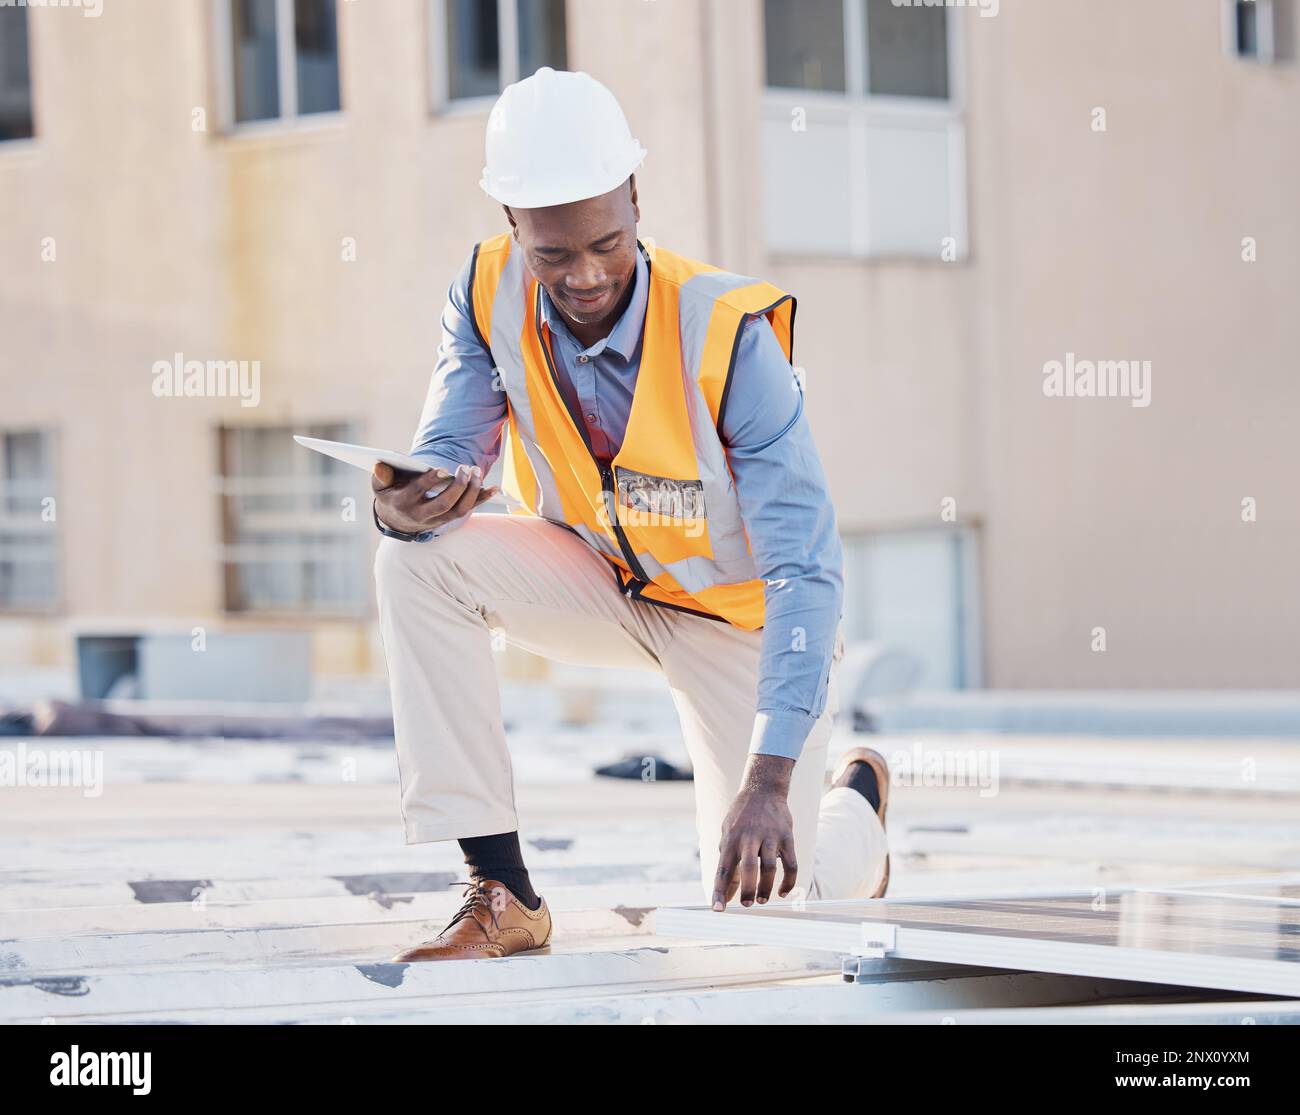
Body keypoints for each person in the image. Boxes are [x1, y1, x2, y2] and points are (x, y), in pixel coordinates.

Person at [372, 68, 890, 962]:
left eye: (607, 243)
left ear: (637, 201)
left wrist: (768, 778)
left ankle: (855, 816)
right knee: (417, 561)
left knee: (766, 919)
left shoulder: (730, 334)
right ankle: (503, 889)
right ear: (511, 226)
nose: (585, 276)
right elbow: (451, 447)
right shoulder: (486, 290)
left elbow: (807, 569)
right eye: (553, 254)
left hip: (738, 622)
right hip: (598, 582)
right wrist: (410, 501)